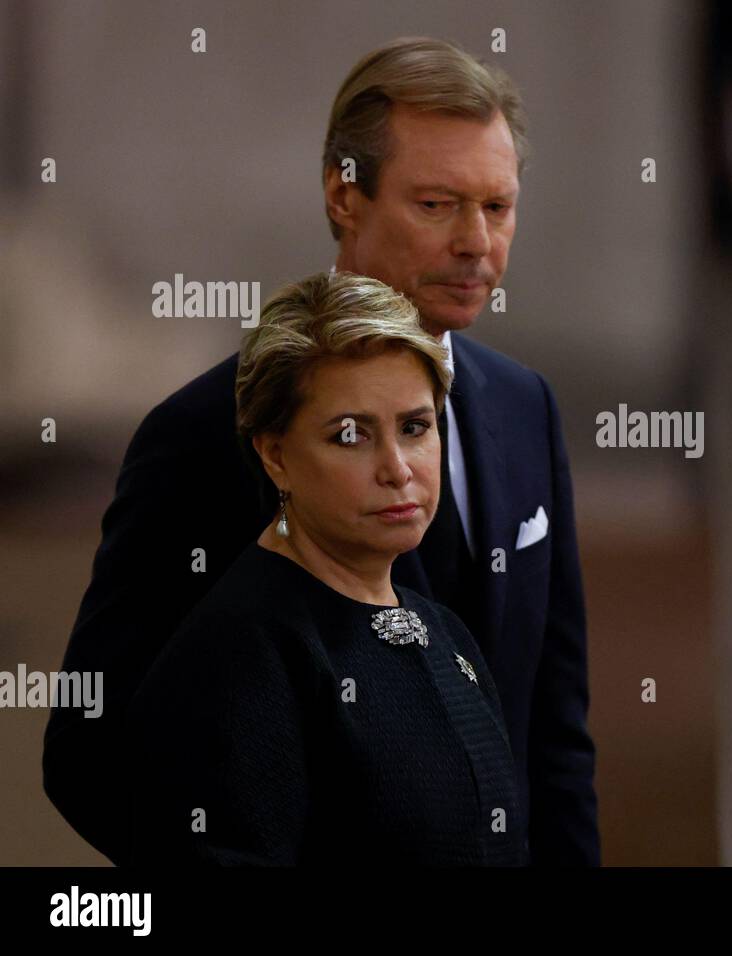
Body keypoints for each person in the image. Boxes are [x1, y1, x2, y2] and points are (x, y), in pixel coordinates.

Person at [44, 37, 598, 865]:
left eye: (498, 206)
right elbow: (88, 752)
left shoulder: (524, 409)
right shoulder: (201, 433)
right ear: (345, 195)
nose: (476, 243)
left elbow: (554, 735)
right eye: (438, 205)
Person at [127, 271, 524, 865]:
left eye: (415, 428)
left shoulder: (445, 631)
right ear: (276, 454)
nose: (397, 468)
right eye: (350, 435)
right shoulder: (241, 653)